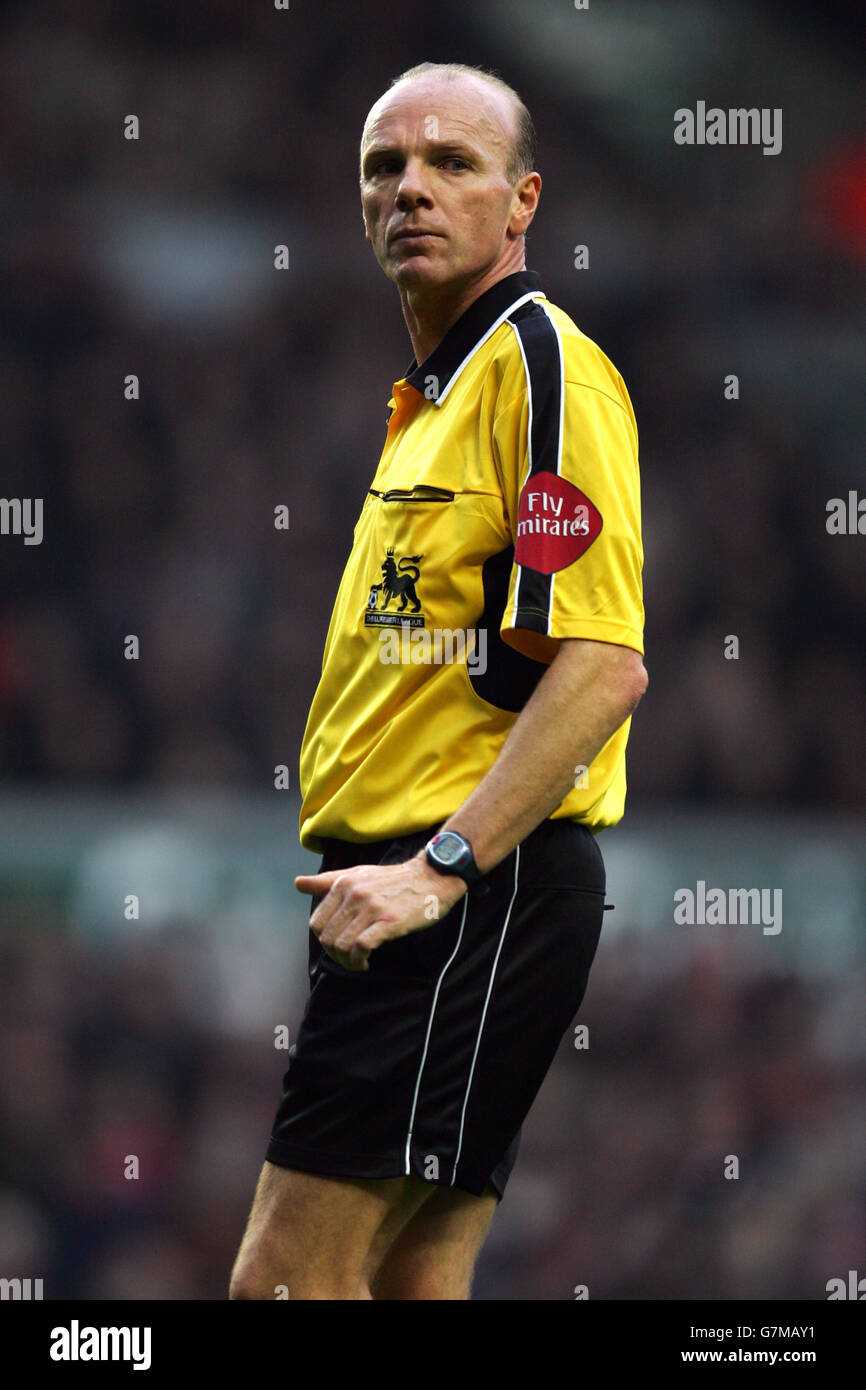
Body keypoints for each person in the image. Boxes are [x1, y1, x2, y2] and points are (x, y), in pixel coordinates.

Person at [230, 60, 647, 1301]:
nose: (409, 188)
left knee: (283, 1284)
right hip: (434, 897)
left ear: (521, 200)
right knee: (413, 1279)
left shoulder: (540, 368)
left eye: (450, 164)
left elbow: (601, 663)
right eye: (383, 168)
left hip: (466, 888)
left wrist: (439, 869)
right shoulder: (432, 397)